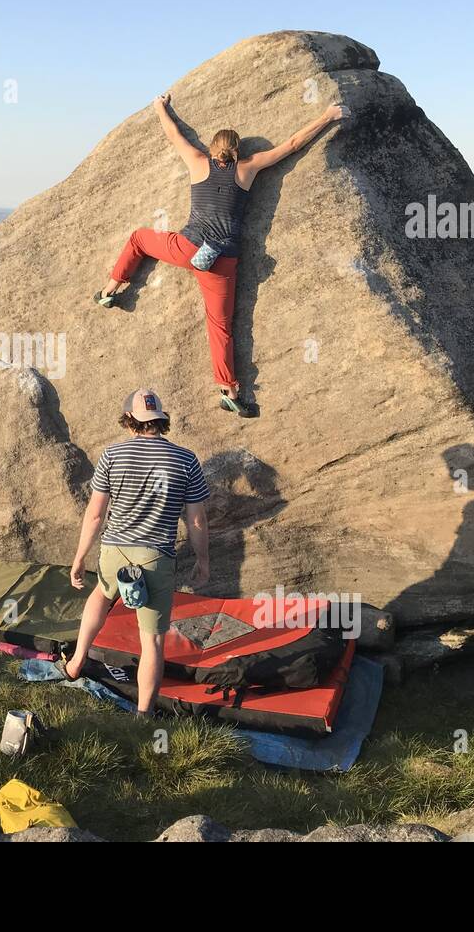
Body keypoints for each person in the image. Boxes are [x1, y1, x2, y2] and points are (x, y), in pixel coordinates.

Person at [95, 93, 349, 415]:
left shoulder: (197, 162)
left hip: (187, 249)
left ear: (213, 149)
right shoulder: (248, 168)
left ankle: (110, 291)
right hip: (222, 261)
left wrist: (160, 106)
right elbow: (294, 144)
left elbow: (173, 133)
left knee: (139, 239)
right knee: (220, 326)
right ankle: (229, 389)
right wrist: (328, 116)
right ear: (237, 150)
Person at [62, 388, 211, 716]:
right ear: (160, 420)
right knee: (153, 641)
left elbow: (96, 515)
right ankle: (144, 715)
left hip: (115, 549)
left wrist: (78, 559)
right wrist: (203, 560)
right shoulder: (186, 460)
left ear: (130, 420)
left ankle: (75, 663)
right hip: (156, 555)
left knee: (100, 596)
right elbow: (196, 519)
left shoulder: (112, 455)